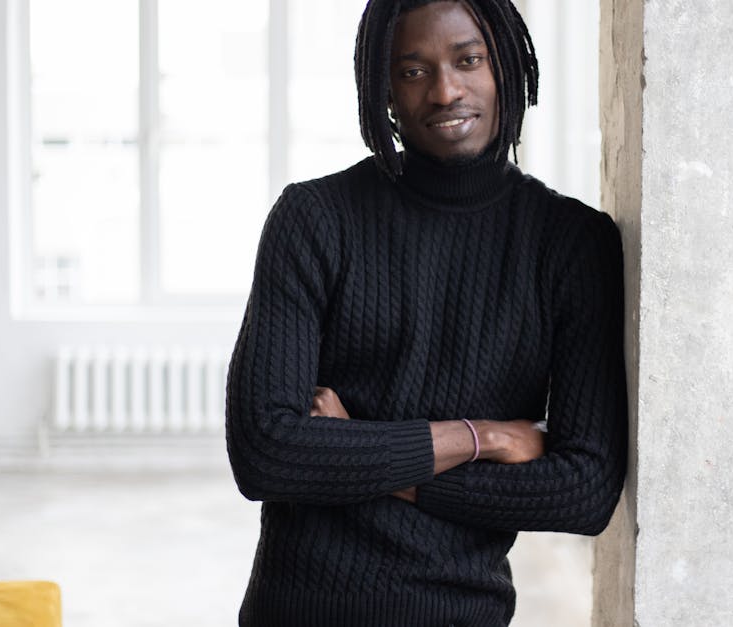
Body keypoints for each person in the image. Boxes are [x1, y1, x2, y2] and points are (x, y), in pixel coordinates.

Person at [225, 0, 627, 625]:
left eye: (469, 60)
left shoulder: (571, 243)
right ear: (383, 87)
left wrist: (361, 455)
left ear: (509, 67)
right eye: (413, 71)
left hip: (461, 612)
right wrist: (483, 438)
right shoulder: (314, 220)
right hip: (300, 609)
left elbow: (583, 491)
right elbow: (266, 452)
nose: (445, 90)